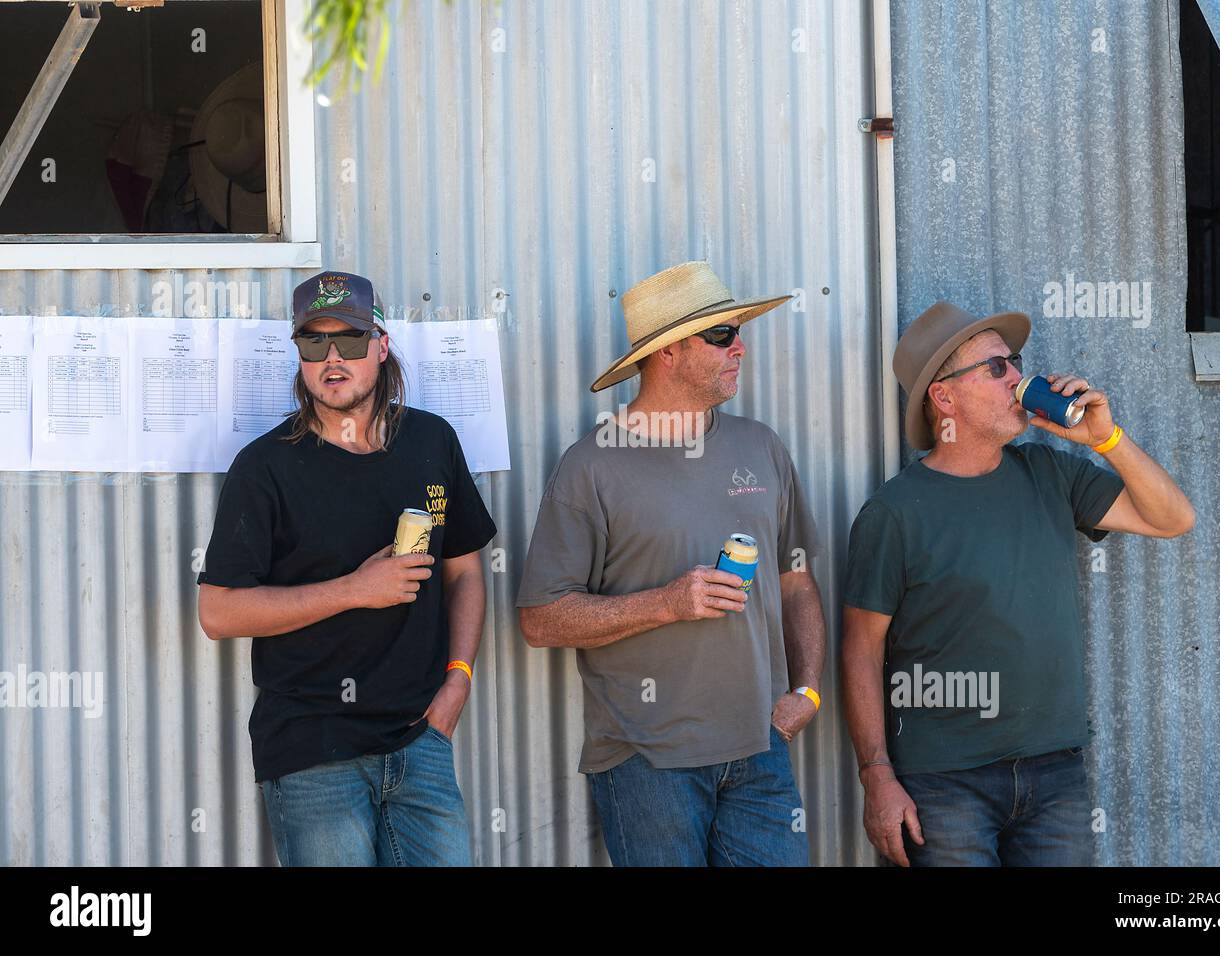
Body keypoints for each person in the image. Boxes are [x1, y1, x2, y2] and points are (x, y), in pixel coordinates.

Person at [842, 301, 1195, 867]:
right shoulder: (893, 513)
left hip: (1053, 771)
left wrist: (1106, 440)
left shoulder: (1050, 472)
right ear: (945, 397)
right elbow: (861, 650)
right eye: (997, 368)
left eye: (1016, 363)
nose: (1019, 379)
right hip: (942, 782)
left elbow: (1173, 519)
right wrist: (876, 776)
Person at [516, 260, 826, 867]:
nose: (740, 347)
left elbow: (796, 582)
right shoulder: (592, 466)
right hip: (646, 762)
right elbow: (540, 620)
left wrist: (807, 693)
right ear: (667, 353)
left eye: (739, 331)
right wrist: (665, 603)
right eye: (721, 335)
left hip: (759, 750)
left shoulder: (760, 445)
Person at [196, 270, 496, 866]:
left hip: (421, 739)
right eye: (314, 342)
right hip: (314, 750)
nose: (333, 358)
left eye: (351, 341)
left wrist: (457, 680)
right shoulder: (264, 468)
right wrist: (355, 590)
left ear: (381, 348)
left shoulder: (432, 442)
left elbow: (464, 572)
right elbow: (218, 611)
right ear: (299, 355)